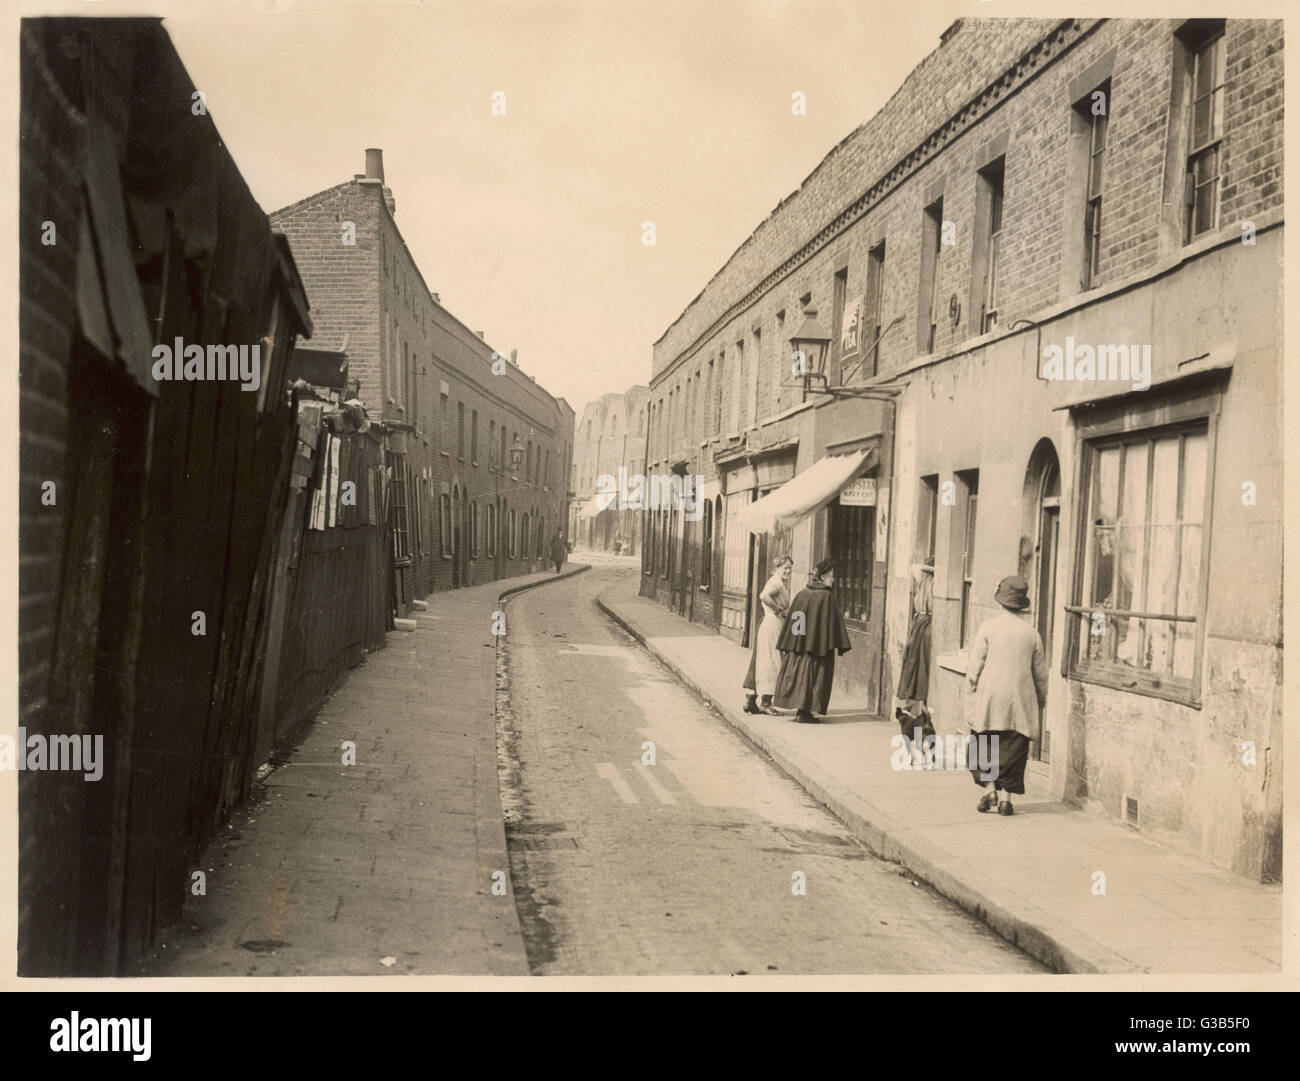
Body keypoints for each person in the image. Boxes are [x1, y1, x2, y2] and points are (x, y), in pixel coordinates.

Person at [965, 575, 1049, 816]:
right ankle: (1006, 799)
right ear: (1022, 605)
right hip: (1020, 701)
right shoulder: (1031, 633)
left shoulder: (989, 628)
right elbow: (1040, 674)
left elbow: (975, 666)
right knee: (1013, 748)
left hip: (990, 698)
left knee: (984, 743)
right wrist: (1042, 699)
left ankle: (990, 789)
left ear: (1000, 601)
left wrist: (971, 689)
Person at [774, 557, 851, 724]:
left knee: (800, 674)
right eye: (832, 576)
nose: (834, 579)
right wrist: (834, 643)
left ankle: (801, 710)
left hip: (801, 647)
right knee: (815, 676)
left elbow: (797, 623)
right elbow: (833, 623)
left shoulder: (802, 594)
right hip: (819, 647)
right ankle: (805, 711)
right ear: (823, 577)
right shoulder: (827, 597)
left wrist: (799, 641)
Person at [742, 555, 793, 715]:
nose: (788, 571)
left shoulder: (779, 582)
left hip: (772, 625)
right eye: (785, 568)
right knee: (772, 661)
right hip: (772, 624)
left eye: (790, 568)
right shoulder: (776, 582)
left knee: (764, 661)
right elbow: (763, 596)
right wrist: (778, 609)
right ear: (776, 568)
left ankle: (751, 700)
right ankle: (765, 703)